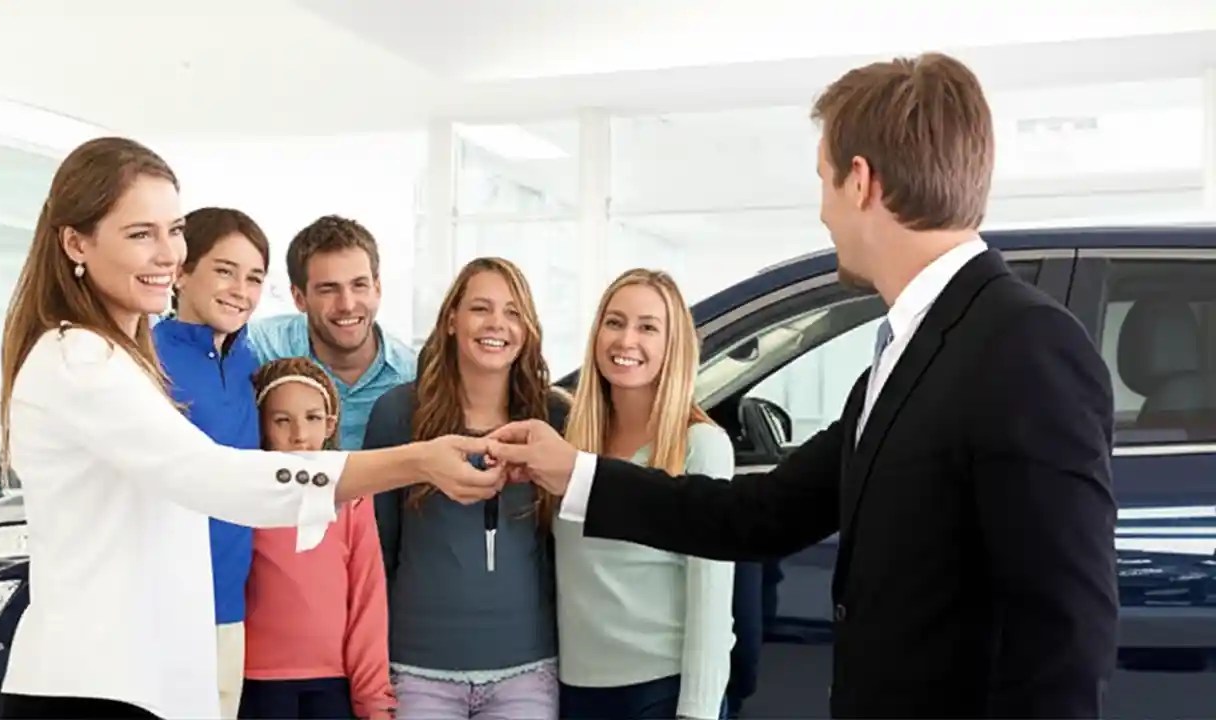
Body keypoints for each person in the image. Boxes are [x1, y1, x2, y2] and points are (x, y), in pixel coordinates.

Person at [487, 52, 1118, 719]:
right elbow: (760, 515)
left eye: (823, 180)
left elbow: (1065, 637)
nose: (822, 212)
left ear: (861, 181)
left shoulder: (1024, 344)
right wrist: (577, 474)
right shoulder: (903, 356)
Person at [0, 136, 502, 720]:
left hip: (148, 675)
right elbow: (216, 475)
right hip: (91, 684)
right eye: (141, 234)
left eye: (174, 229)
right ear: (75, 242)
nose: (169, 255)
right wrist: (416, 460)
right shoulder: (77, 359)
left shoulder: (133, 358)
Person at [364, 257, 568, 720]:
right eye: (481, 308)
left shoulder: (555, 420)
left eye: (513, 312)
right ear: (452, 319)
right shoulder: (398, 414)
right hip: (418, 673)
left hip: (527, 672)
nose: (497, 323)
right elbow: (376, 552)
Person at [553, 269, 735, 720]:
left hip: (661, 693)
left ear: (673, 346)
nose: (626, 340)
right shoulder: (571, 445)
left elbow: (711, 603)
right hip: (575, 692)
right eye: (614, 322)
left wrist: (698, 711)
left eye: (647, 327)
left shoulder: (702, 446)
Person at [153, 206, 270, 718]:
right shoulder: (144, 359)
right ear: (181, 271)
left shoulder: (250, 364)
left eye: (254, 278)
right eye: (225, 270)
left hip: (230, 605)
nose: (240, 290)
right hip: (160, 604)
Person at [240, 358, 395, 720]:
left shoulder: (353, 498)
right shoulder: (244, 496)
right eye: (282, 420)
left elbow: (367, 599)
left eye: (312, 418)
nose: (299, 434)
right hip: (256, 683)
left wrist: (373, 699)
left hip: (331, 685)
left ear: (330, 424)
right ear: (262, 425)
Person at [247, 214, 415, 451]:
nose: (346, 304)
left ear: (377, 289)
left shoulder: (414, 377)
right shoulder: (258, 348)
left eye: (359, 285)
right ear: (299, 298)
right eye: (328, 289)